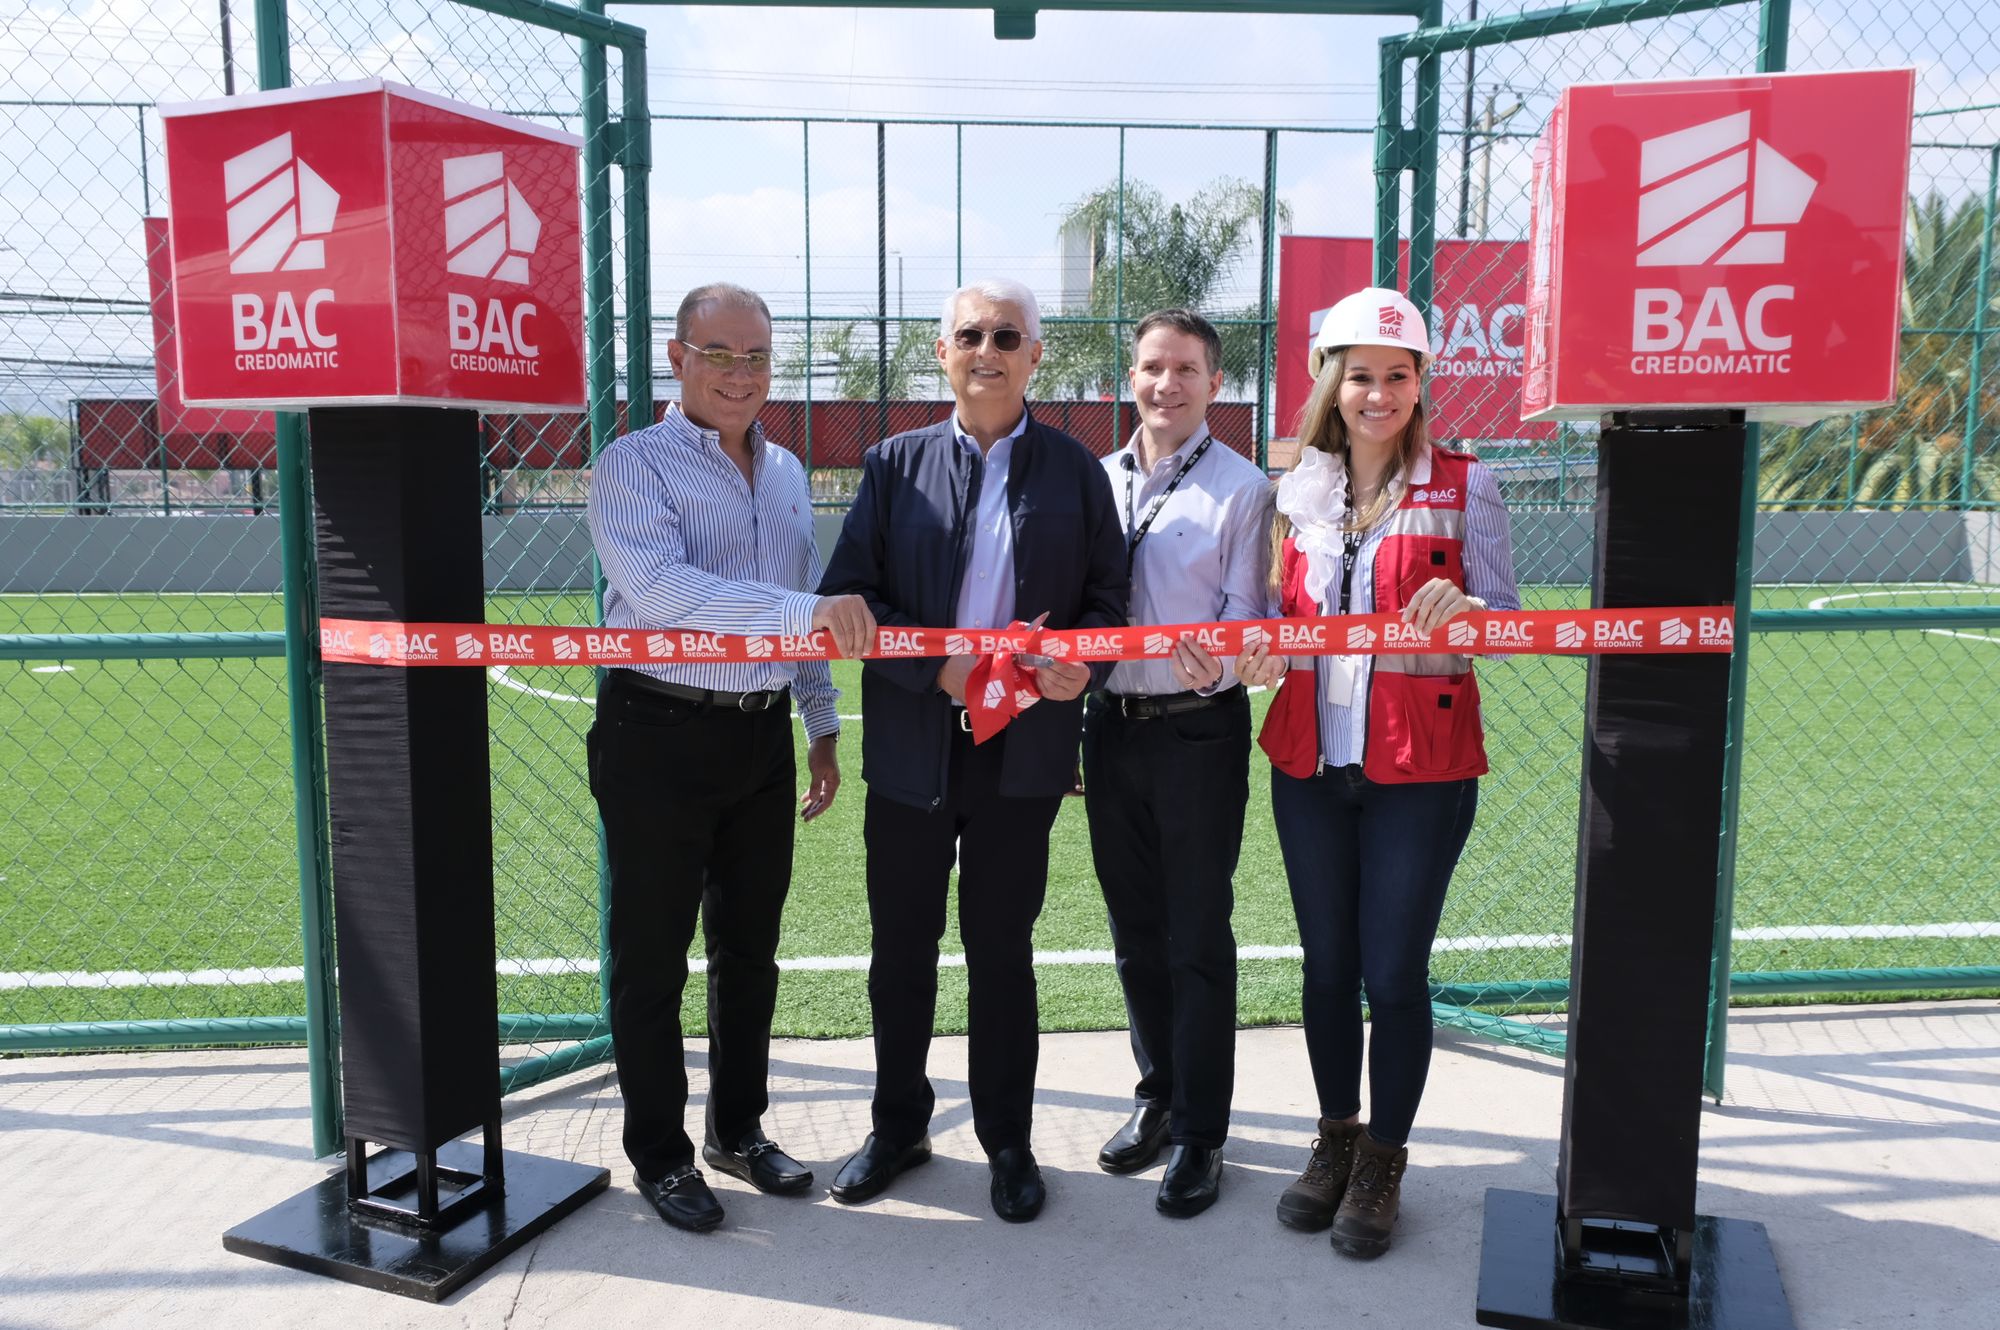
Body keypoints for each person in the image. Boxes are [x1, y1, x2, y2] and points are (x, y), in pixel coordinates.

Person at [817, 278, 1129, 1222]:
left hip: (1022, 759)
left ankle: (1007, 1142)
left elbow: (1109, 610)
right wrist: (940, 675)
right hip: (914, 752)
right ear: (942, 353)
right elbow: (852, 600)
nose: (986, 349)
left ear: (1037, 355)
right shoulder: (891, 465)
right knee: (900, 950)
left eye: (1006, 335)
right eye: (968, 335)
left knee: (1002, 952)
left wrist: (1086, 669)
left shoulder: (1079, 474)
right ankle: (899, 1125)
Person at [585, 282, 878, 1234]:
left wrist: (820, 723)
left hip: (759, 738)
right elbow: (666, 596)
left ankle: (737, 1132)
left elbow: (794, 599)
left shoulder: (788, 473)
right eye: (720, 353)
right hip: (657, 732)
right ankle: (660, 1156)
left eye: (756, 356)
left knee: (748, 952)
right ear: (678, 357)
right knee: (652, 960)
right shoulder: (633, 466)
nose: (740, 374)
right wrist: (807, 623)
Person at [1237, 286, 1520, 1259]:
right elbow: (1276, 624)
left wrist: (1470, 609)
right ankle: (1332, 1139)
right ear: (1332, 382)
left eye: (1397, 375)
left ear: (1418, 383)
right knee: (1325, 968)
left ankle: (1383, 1159)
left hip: (1420, 768)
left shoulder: (1464, 484)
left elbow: (1509, 623)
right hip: (1308, 761)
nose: (1378, 393)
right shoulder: (1297, 490)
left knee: (1392, 973)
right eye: (1360, 374)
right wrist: (1258, 653)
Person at [1083, 309, 1272, 1218]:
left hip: (1198, 728)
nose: (1168, 384)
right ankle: (1157, 1096)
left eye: (1187, 370)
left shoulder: (1242, 488)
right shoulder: (1096, 479)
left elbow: (1248, 613)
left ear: (1214, 385)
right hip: (1108, 724)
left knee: (1197, 933)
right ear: (1132, 376)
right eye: (1153, 367)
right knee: (1133, 931)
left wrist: (1222, 656)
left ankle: (1203, 1133)